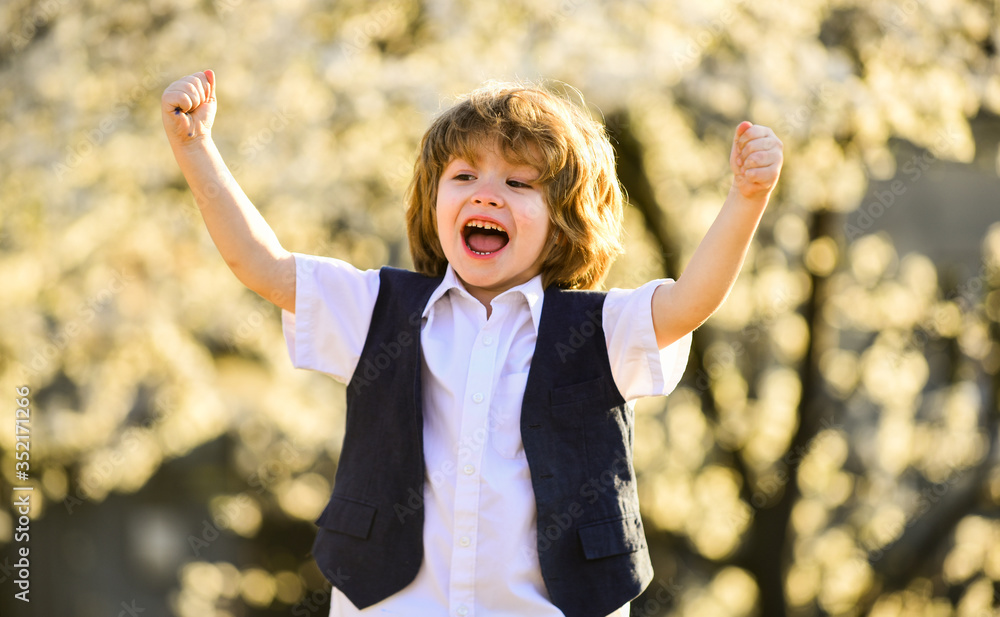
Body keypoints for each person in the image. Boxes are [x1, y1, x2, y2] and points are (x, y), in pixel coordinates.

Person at [161, 69, 783, 617]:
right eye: (464, 175)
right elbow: (262, 266)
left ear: (565, 221)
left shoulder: (598, 329)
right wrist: (197, 149)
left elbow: (689, 302)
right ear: (434, 201)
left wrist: (745, 199)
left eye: (519, 184)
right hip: (393, 606)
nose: (486, 193)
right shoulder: (378, 309)